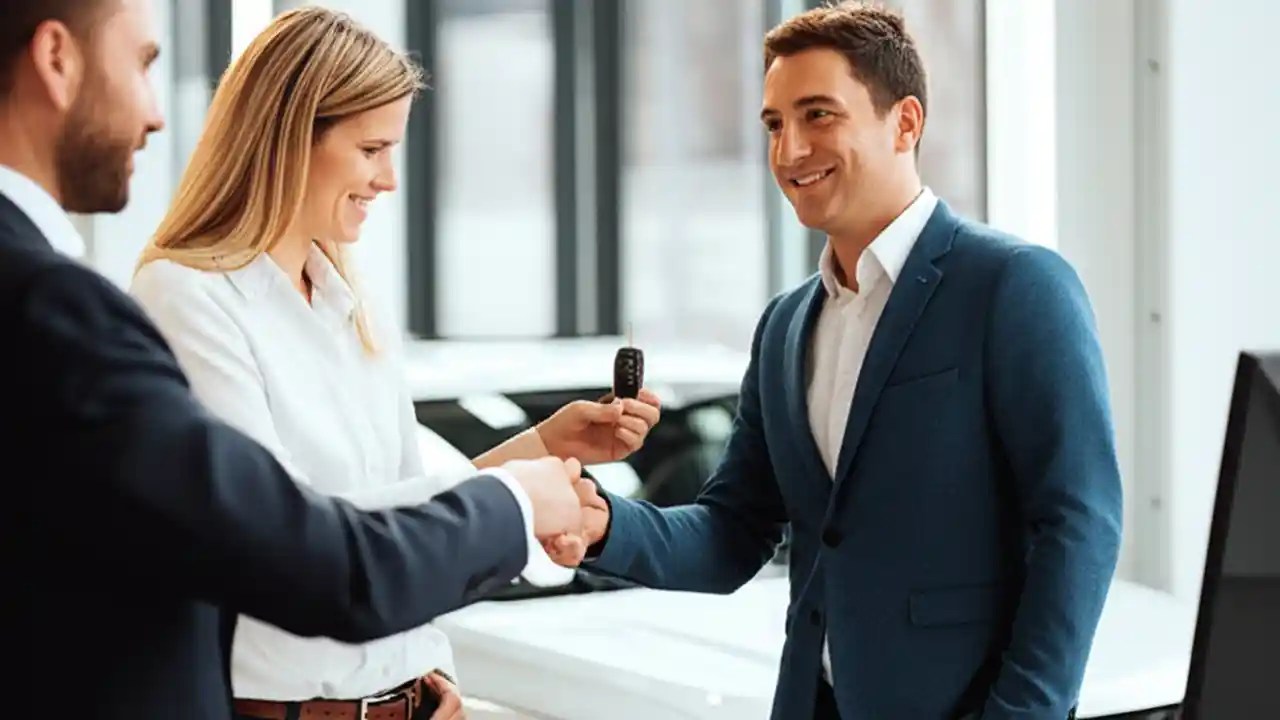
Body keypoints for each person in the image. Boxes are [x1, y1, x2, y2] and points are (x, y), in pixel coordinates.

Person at [2, 1, 595, 717]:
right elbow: (295, 540)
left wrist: (431, 670)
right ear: (289, 141)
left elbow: (393, 503)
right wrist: (518, 502)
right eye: (372, 150)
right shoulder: (178, 298)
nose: (389, 181)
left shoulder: (351, 303)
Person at [556, 3, 1123, 719]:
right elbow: (733, 531)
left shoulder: (1013, 285)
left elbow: (1079, 523)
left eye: (818, 115)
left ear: (906, 122)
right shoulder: (786, 325)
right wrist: (604, 522)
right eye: (772, 124)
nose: (789, 150)